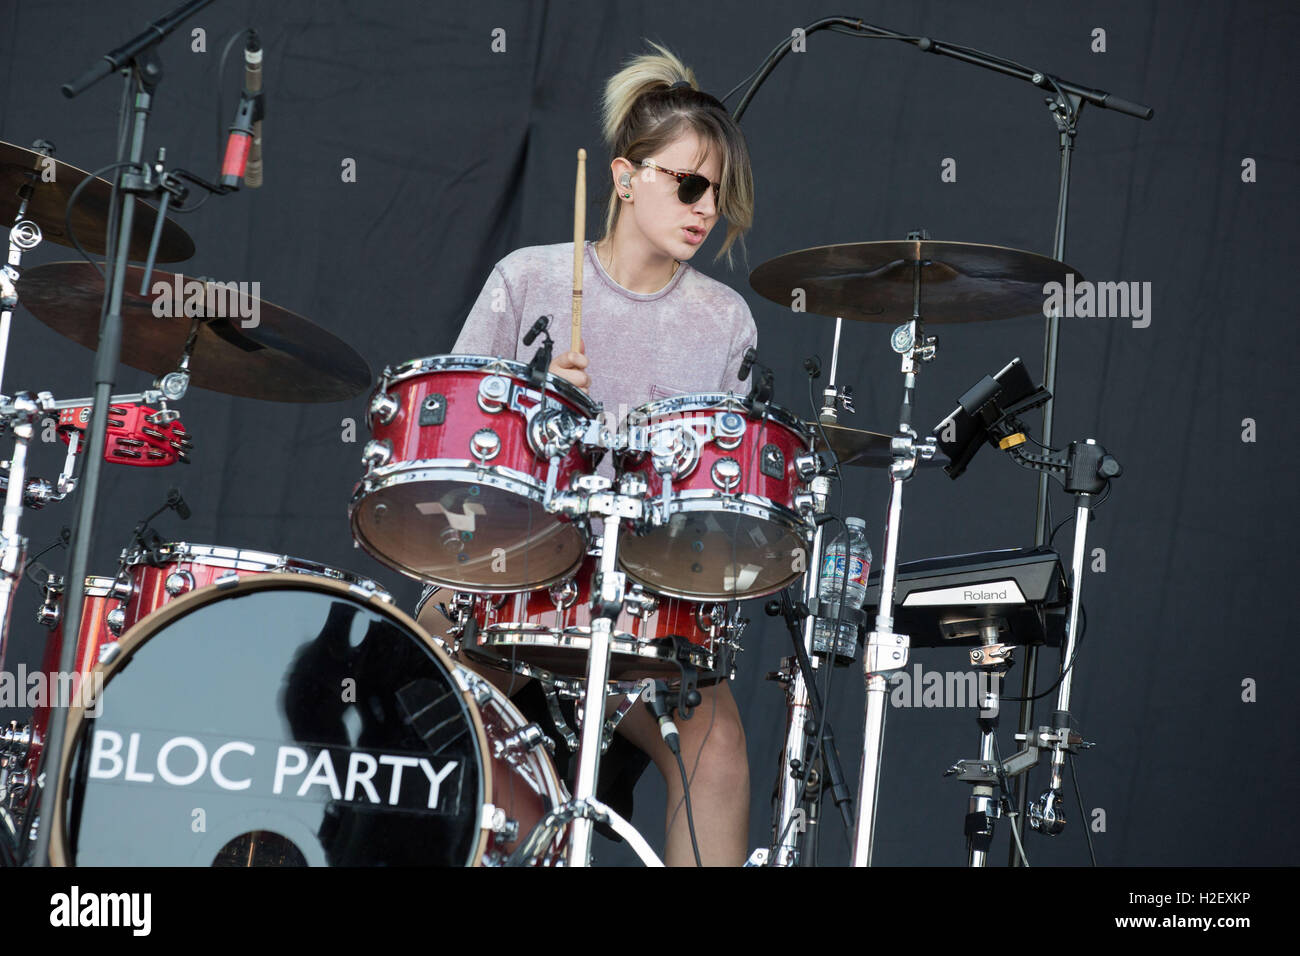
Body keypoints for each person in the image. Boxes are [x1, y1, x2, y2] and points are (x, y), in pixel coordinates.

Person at [417, 42, 757, 866]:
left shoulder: (726, 322)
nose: (705, 206)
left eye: (719, 190)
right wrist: (533, 395)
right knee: (424, 677)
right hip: (506, 569)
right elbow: (446, 448)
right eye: (688, 182)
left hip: (637, 593)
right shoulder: (530, 280)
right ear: (624, 176)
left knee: (716, 754)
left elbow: (717, 492)